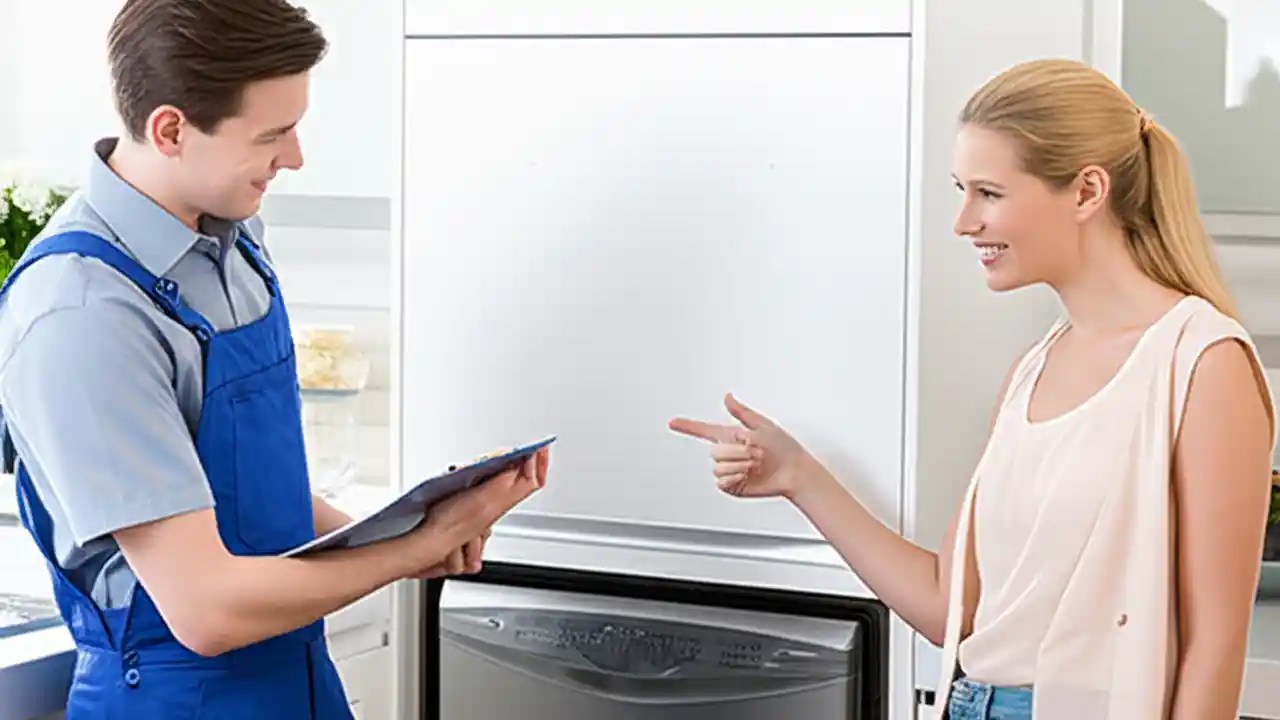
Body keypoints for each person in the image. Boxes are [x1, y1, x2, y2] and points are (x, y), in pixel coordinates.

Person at [671, 58, 1276, 720]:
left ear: (1086, 191)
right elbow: (947, 606)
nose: (963, 222)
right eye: (963, 191)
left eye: (988, 193)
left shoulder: (1201, 364)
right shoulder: (1034, 370)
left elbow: (1215, 648)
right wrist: (798, 475)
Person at [0, 1, 548, 717]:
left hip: (298, 681)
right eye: (273, 134)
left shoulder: (234, 237)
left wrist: (415, 523)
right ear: (171, 130)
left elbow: (248, 499)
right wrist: (412, 553)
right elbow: (206, 610)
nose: (295, 157)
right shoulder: (80, 312)